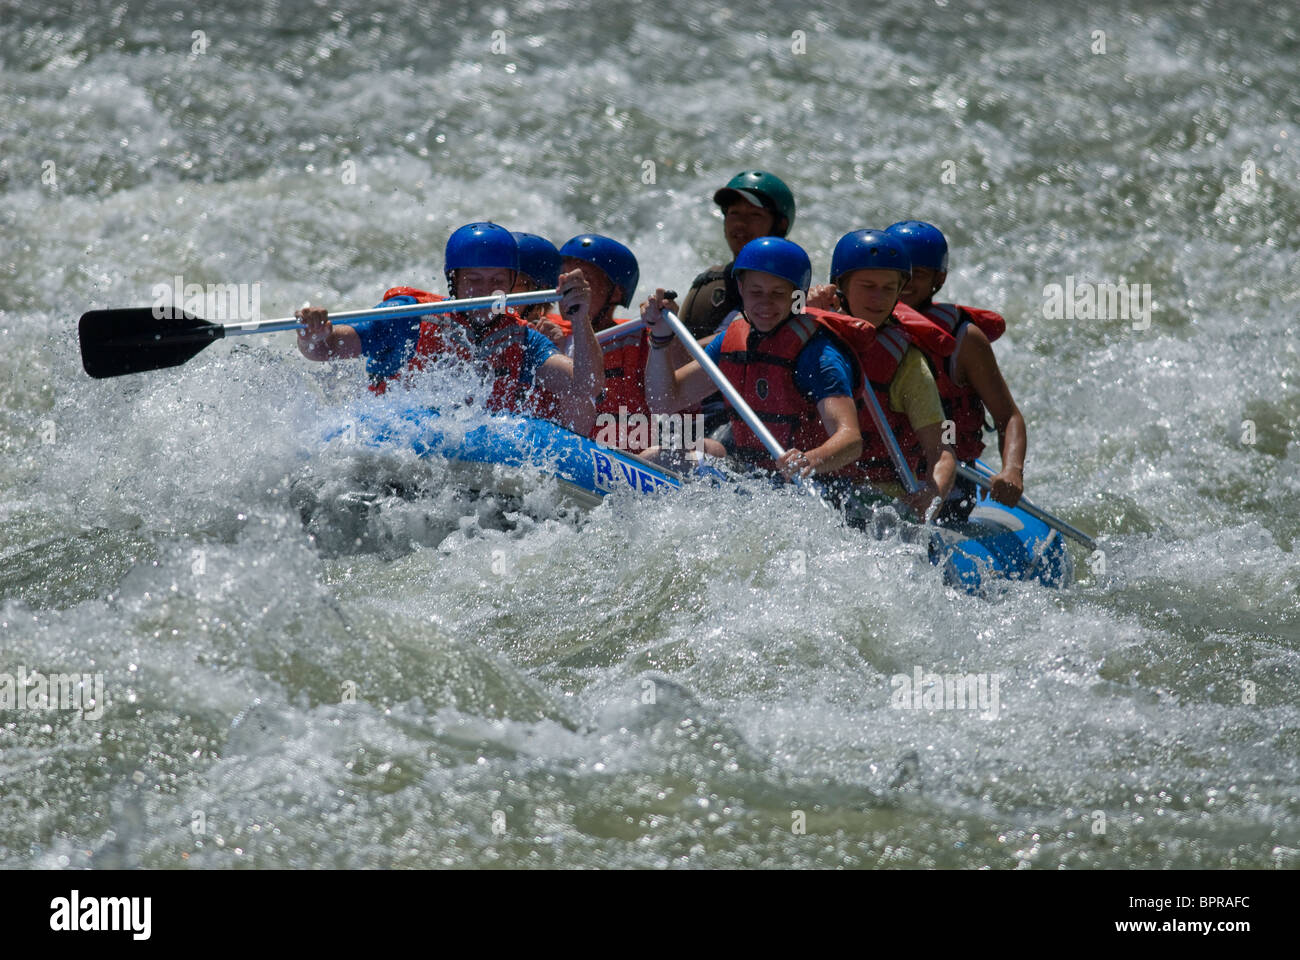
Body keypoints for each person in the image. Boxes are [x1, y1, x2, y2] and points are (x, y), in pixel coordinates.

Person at [296, 222, 603, 435]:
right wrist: (316, 334)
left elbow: (585, 385)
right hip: (397, 443)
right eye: (474, 280)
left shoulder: (523, 339)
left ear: (511, 283)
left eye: (496, 281)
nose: (486, 291)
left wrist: (580, 318)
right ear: (454, 281)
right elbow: (324, 350)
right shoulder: (410, 316)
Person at [643, 237, 863, 482]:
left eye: (778, 293)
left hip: (807, 483)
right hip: (748, 470)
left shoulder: (819, 355)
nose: (765, 304)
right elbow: (664, 401)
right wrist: (661, 339)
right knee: (659, 455)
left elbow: (851, 439)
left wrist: (809, 460)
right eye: (756, 292)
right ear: (741, 289)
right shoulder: (733, 340)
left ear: (797, 296)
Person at [809, 230, 957, 516]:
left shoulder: (908, 363)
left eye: (888, 288)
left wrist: (932, 494)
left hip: (879, 500)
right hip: (812, 485)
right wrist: (802, 310)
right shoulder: (808, 337)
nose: (877, 298)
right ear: (840, 286)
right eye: (867, 286)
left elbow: (941, 451)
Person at [886, 220, 1026, 507]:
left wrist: (1012, 470)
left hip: (948, 486)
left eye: (918, 274)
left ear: (938, 280)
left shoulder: (965, 340)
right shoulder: (856, 326)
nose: (904, 284)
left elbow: (1008, 416)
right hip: (880, 476)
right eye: (898, 273)